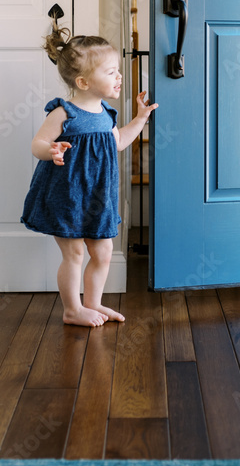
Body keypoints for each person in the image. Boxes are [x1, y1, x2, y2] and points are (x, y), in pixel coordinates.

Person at [21, 20, 157, 327]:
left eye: (117, 70)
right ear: (83, 82)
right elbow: (38, 144)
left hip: (99, 196)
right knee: (74, 255)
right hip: (67, 195)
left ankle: (92, 303)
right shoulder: (64, 113)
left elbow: (119, 141)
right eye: (111, 72)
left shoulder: (106, 114)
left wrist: (140, 118)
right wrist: (51, 151)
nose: (119, 76)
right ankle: (73, 309)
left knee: (104, 251)